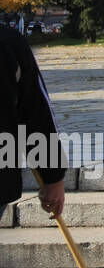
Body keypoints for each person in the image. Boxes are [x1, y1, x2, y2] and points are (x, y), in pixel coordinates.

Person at [1, 25, 65, 219]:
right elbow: (35, 111)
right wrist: (52, 177)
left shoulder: (7, 43)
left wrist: (52, 175)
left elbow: (34, 111)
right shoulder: (7, 41)